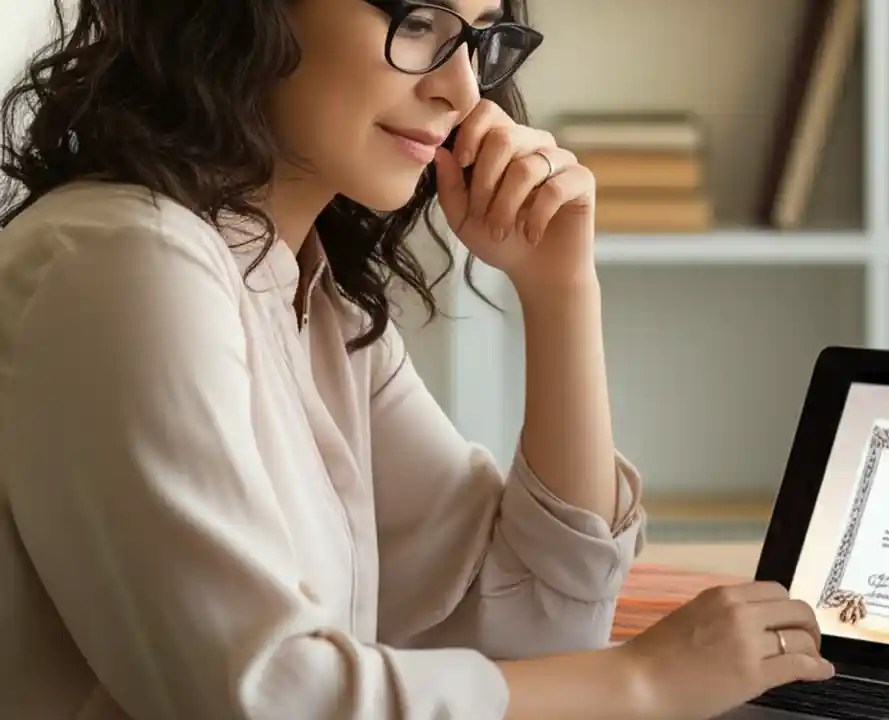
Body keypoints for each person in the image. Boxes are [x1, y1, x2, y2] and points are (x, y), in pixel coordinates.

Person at [0, 0, 836, 718]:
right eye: (419, 21)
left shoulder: (306, 295)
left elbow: (540, 622)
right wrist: (646, 682)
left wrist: (560, 293)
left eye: (476, 37)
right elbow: (264, 697)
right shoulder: (122, 263)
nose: (461, 90)